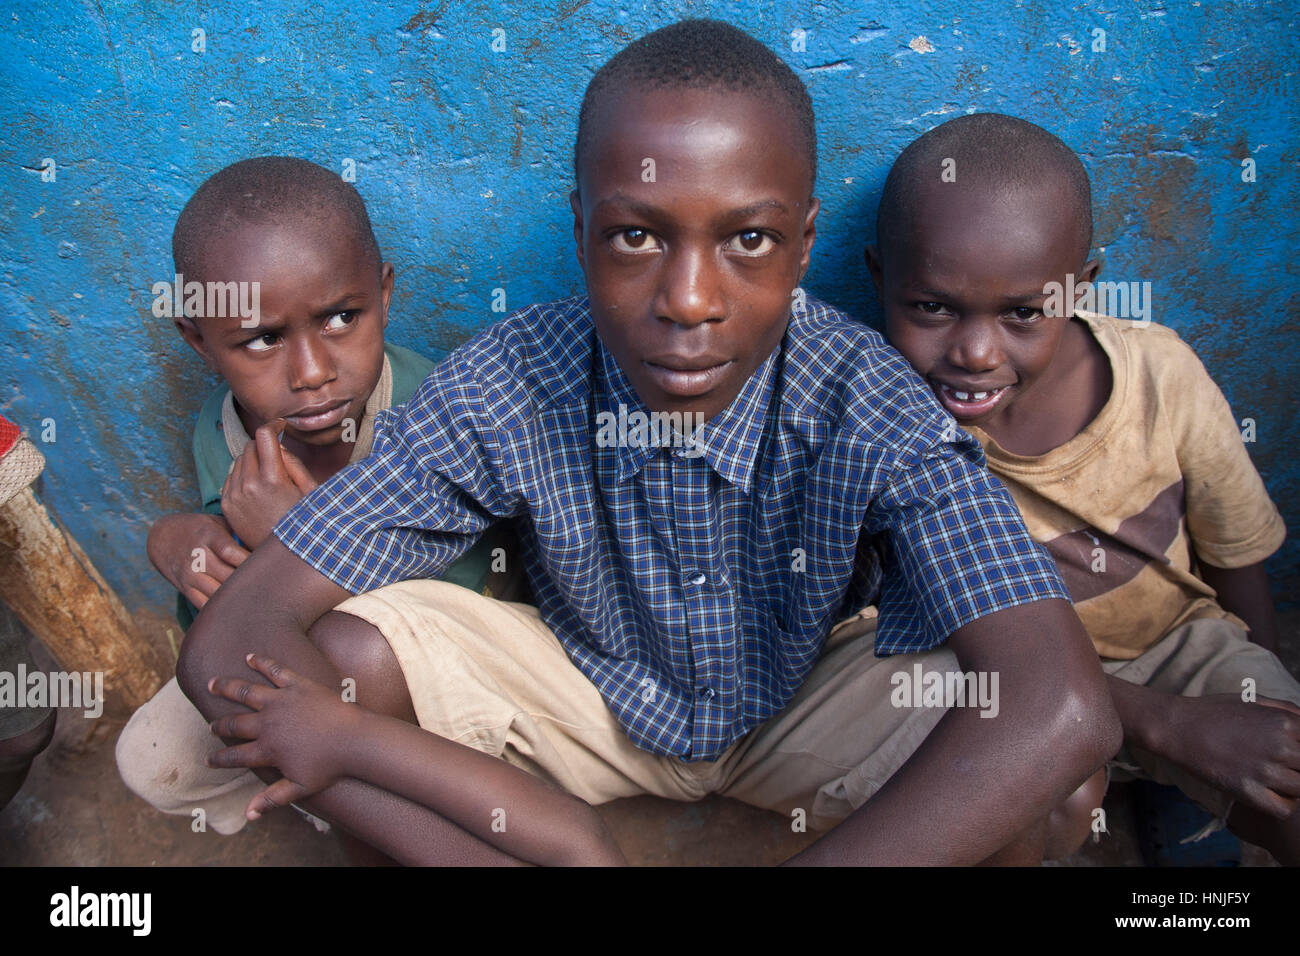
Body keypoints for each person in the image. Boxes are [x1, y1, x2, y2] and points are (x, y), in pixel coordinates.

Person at [183, 21, 1120, 866]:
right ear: (583, 237)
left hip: (796, 707)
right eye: (636, 236)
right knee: (340, 667)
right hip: (582, 701)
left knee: (1046, 781)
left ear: (802, 249)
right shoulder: (510, 381)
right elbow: (238, 632)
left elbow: (1063, 703)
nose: (690, 300)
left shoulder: (866, 397)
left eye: (748, 241)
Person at [869, 112, 1299, 864]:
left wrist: (1252, 703)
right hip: (996, 686)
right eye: (932, 307)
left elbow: (1238, 553)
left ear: (1078, 289)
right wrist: (1165, 726)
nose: (973, 352)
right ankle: (1145, 775)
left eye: (1023, 314)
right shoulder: (879, 422)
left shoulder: (1162, 376)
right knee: (1003, 811)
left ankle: (1177, 788)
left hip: (1176, 648)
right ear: (880, 277)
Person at [117, 156, 501, 836]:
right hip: (298, 673)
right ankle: (337, 798)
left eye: (340, 318)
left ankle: (395, 808)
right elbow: (222, 600)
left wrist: (296, 537)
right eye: (262, 340)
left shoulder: (440, 414)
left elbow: (471, 607)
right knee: (150, 762)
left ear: (384, 296)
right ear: (200, 342)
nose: (313, 373)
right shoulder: (224, 428)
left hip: (439, 686)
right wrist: (183, 546)